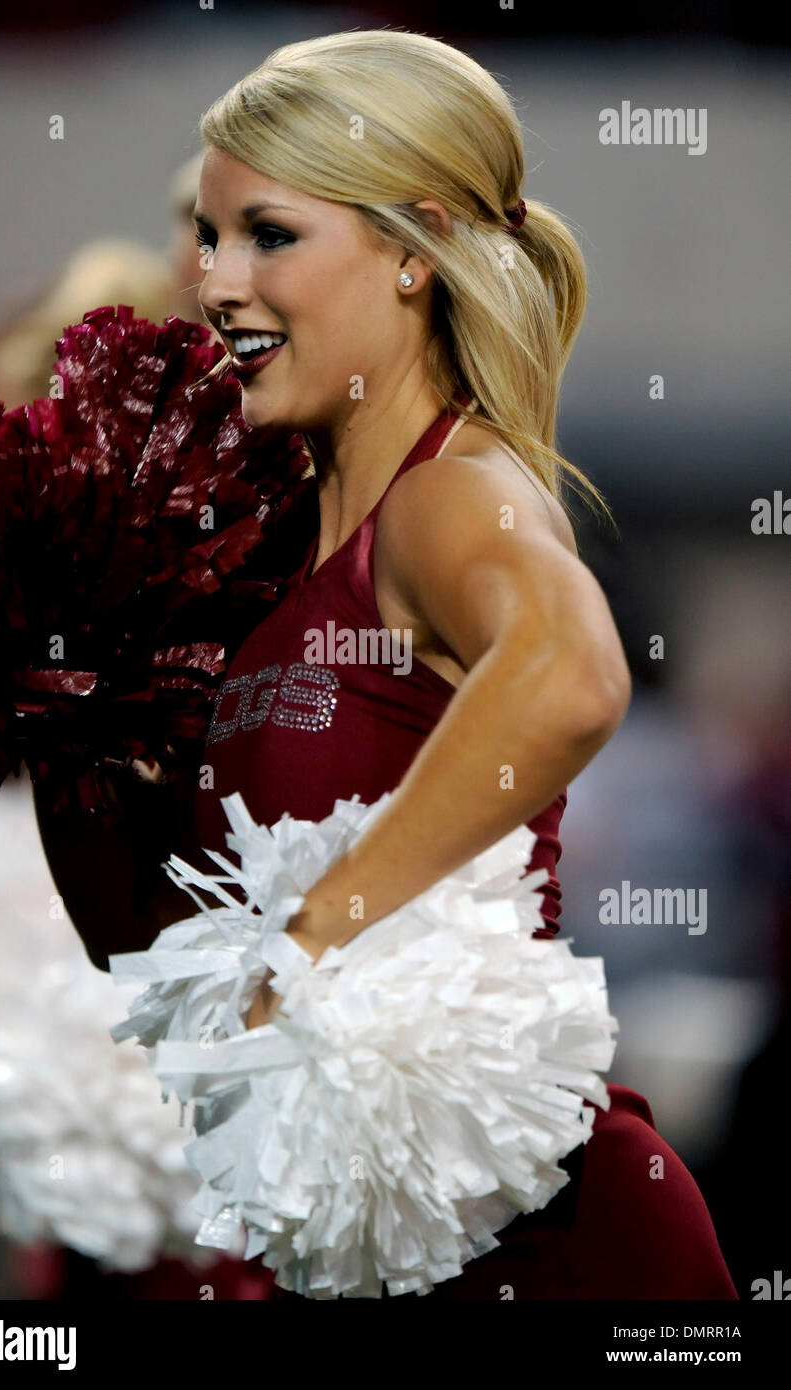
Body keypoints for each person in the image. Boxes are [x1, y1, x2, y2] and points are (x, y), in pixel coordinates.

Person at [179, 28, 738, 1300]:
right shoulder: (278, 572)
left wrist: (320, 932)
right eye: (209, 238)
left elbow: (569, 675)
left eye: (268, 235)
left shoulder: (449, 496)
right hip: (363, 1246)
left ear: (413, 251)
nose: (217, 281)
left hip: (542, 1235)